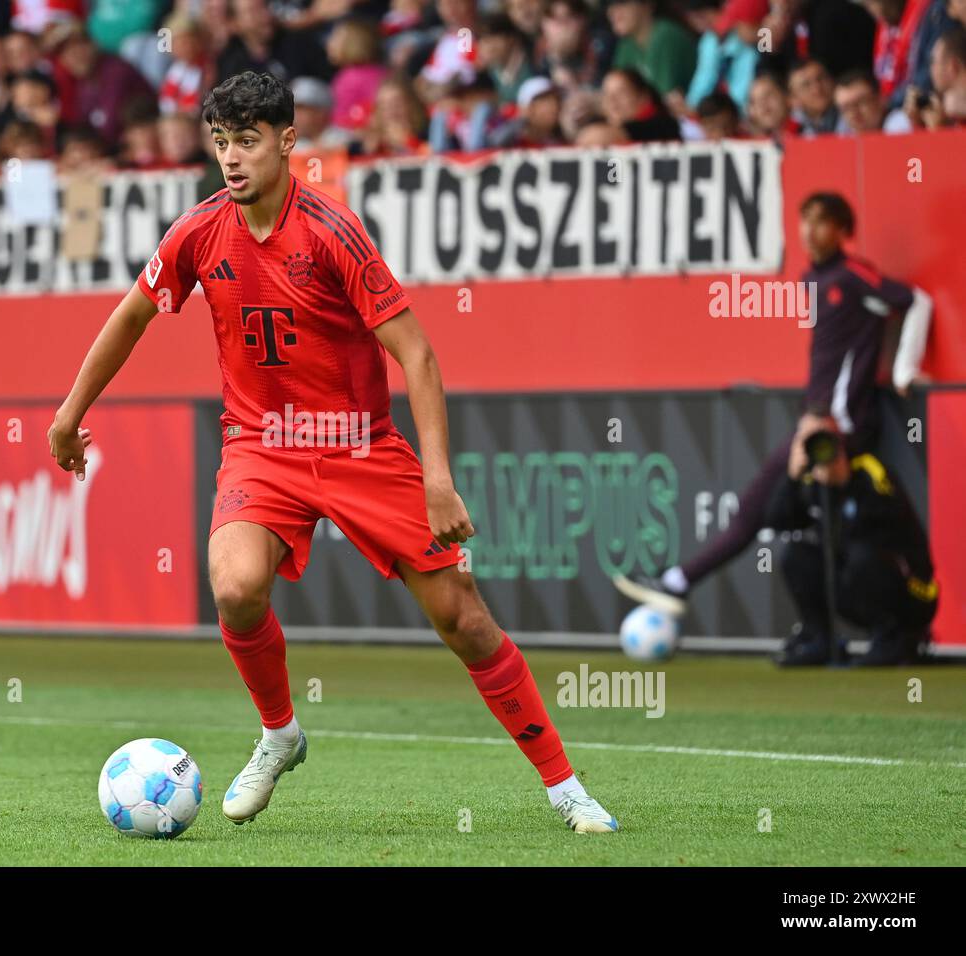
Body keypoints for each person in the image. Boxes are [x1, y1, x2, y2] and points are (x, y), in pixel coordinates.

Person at [48, 70, 619, 835]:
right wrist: (68, 415)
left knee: (463, 618)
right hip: (260, 445)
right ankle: (280, 732)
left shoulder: (331, 233)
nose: (232, 158)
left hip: (359, 447)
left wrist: (438, 481)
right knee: (235, 586)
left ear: (288, 142)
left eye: (248, 141)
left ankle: (565, 788)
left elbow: (416, 354)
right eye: (221, 143)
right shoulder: (197, 232)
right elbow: (130, 316)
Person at [615, 192, 933, 617]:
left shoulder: (853, 275)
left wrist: (903, 371)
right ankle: (804, 628)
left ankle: (679, 582)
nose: (809, 231)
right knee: (778, 516)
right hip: (815, 421)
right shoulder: (812, 280)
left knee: (759, 509)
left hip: (837, 427)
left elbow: (916, 302)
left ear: (842, 230)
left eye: (821, 222)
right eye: (804, 220)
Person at [768, 414, 938, 667]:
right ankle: (820, 639)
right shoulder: (810, 481)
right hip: (854, 586)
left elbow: (883, 529)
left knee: (862, 555)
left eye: (824, 436)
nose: (820, 444)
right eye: (807, 438)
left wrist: (840, 481)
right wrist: (792, 478)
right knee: (796, 555)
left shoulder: (869, 469)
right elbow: (776, 520)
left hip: (912, 593)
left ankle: (894, 640)